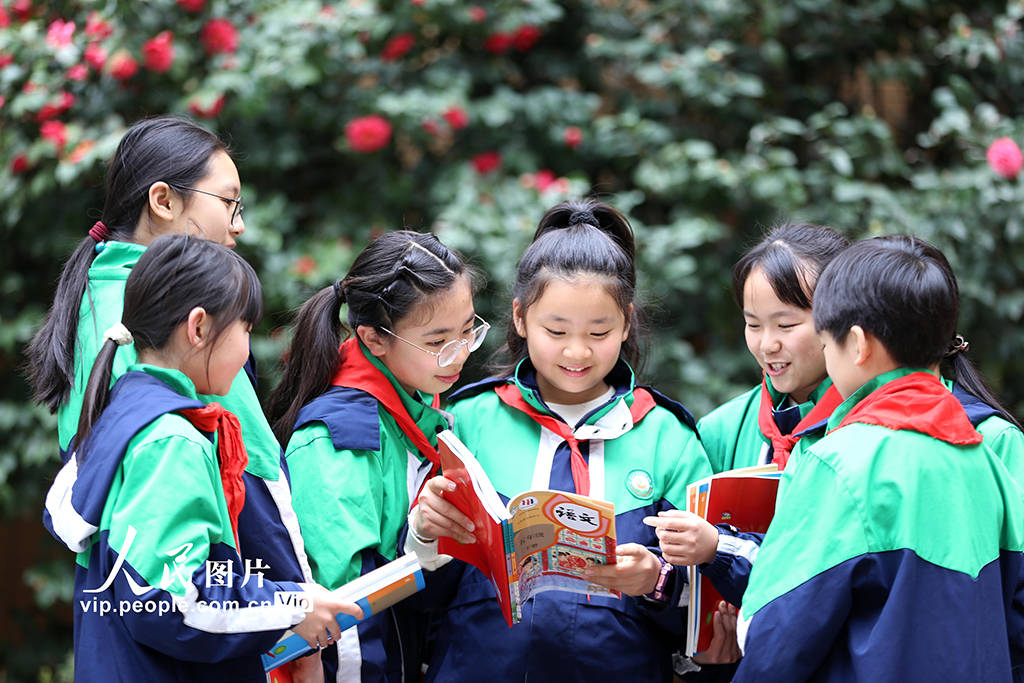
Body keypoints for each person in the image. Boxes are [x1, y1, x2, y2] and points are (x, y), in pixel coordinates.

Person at [27, 115, 321, 678]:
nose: (238, 225)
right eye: (228, 202)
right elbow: (254, 480)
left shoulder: (102, 305)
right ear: (163, 201)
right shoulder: (183, 361)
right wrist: (295, 614)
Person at [408, 200, 713, 682]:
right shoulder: (465, 421)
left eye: (599, 331)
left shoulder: (665, 436)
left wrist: (656, 580)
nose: (577, 350)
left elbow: (709, 603)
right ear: (520, 318)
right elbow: (418, 589)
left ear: (626, 322)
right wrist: (424, 531)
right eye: (556, 330)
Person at [42, 235, 363, 682]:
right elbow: (170, 601)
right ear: (198, 328)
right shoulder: (172, 441)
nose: (248, 349)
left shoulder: (124, 414)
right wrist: (292, 606)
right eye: (245, 329)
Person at [735, 235, 1024, 681]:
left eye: (826, 343)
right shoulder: (985, 455)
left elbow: (774, 632)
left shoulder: (838, 463)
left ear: (857, 344)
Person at [266, 230, 484, 682]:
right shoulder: (341, 437)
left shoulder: (418, 399)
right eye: (438, 341)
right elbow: (345, 610)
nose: (459, 353)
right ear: (374, 339)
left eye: (468, 330)